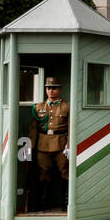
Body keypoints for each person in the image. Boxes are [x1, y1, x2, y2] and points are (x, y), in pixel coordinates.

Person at [33, 76, 70, 210]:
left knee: (65, 172)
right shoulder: (38, 107)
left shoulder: (66, 106)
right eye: (48, 88)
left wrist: (69, 145)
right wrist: (31, 147)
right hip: (42, 144)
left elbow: (71, 127)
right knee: (43, 172)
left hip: (60, 144)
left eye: (54, 88)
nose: (51, 91)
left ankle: (66, 202)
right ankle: (43, 202)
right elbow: (33, 128)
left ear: (59, 90)